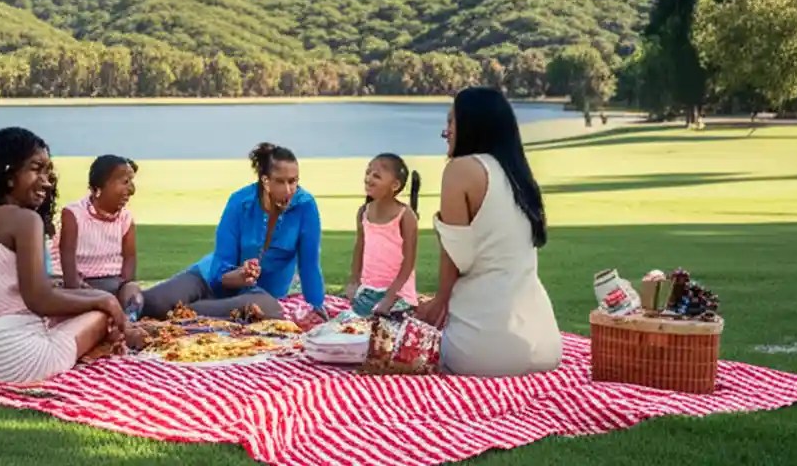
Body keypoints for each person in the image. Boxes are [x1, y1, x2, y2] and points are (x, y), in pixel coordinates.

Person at [0, 127, 134, 384]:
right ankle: (116, 338)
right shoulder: (25, 220)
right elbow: (40, 299)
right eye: (36, 169)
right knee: (102, 315)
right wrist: (106, 301)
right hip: (16, 360)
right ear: (8, 173)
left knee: (83, 306)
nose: (47, 181)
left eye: (48, 172)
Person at [415, 87, 562, 377]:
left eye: (451, 123)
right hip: (545, 345)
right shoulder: (517, 172)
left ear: (472, 124)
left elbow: (460, 257)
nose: (446, 133)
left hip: (485, 350)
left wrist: (439, 301)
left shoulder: (461, 169)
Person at [141, 142, 327, 322]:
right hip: (213, 279)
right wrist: (239, 276)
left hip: (258, 295)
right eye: (280, 182)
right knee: (152, 303)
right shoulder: (240, 202)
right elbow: (220, 267)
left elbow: (309, 265)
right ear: (265, 181)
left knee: (268, 309)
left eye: (293, 181)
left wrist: (316, 305)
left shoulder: (305, 206)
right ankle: (188, 311)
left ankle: (188, 312)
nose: (288, 190)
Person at [52, 155, 144, 315]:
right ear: (97, 189)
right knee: (89, 304)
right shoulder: (73, 214)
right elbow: (67, 258)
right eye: (125, 182)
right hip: (81, 284)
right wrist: (78, 288)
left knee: (134, 293)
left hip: (114, 283)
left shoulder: (125, 218)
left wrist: (124, 285)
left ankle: (130, 317)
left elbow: (130, 258)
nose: (131, 190)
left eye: (132, 182)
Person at [344, 153, 421, 316]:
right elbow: (360, 248)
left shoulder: (406, 216)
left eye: (376, 176)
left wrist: (389, 297)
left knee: (385, 334)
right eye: (368, 173)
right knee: (346, 329)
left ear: (395, 185)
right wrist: (353, 281)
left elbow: (408, 263)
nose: (368, 178)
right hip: (369, 291)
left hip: (399, 295)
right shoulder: (363, 212)